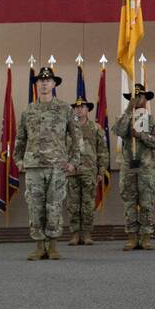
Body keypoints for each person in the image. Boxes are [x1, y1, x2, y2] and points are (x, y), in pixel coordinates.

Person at [16, 66, 82, 260]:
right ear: (37, 84)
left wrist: (74, 162)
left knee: (54, 206)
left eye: (48, 80)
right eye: (41, 80)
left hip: (57, 166)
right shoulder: (28, 110)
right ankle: (39, 246)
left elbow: (76, 137)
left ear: (54, 84)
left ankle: (52, 245)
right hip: (34, 166)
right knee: (35, 207)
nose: (44, 83)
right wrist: (19, 160)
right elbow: (20, 138)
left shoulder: (65, 109)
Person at [111, 84, 155, 250]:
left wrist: (140, 135)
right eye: (134, 97)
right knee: (129, 203)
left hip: (145, 167)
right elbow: (118, 130)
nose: (137, 100)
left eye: (140, 97)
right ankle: (132, 236)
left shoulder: (153, 121)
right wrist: (128, 109)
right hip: (128, 167)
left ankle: (146, 236)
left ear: (146, 99)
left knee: (146, 202)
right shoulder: (126, 118)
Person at [66, 95, 108, 246]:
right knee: (73, 204)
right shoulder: (68, 128)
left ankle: (87, 233)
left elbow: (102, 150)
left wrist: (101, 171)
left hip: (89, 171)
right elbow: (63, 149)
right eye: (76, 107)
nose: (79, 109)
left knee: (88, 203)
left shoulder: (95, 128)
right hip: (72, 171)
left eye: (82, 107)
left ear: (87, 109)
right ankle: (75, 234)